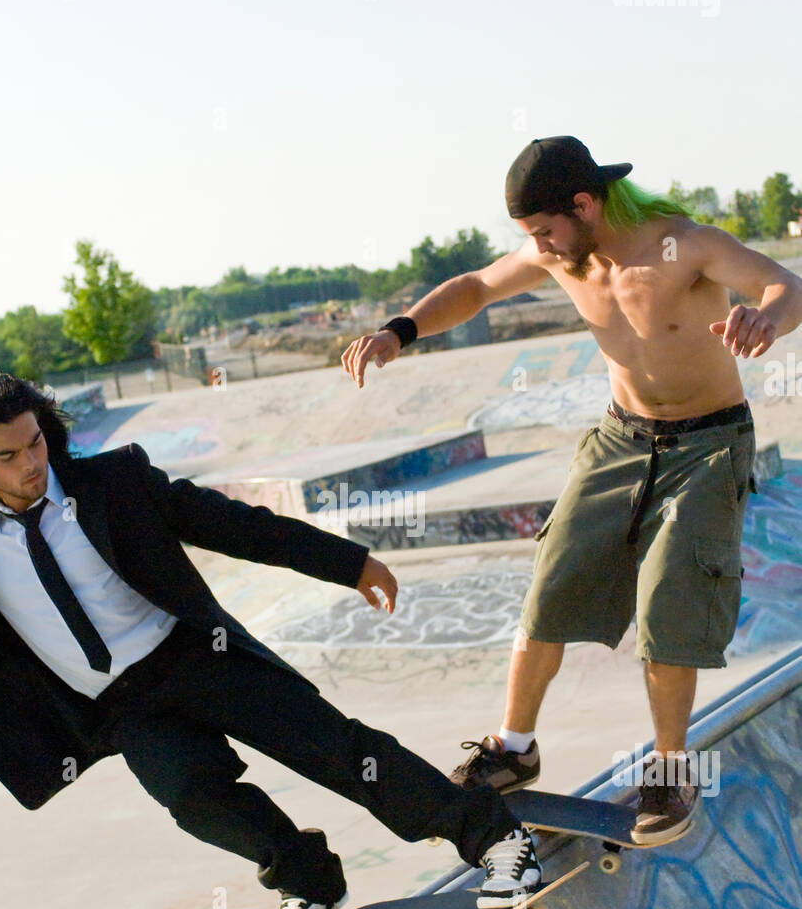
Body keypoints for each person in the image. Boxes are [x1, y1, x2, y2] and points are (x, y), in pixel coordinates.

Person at [0, 372, 539, 909]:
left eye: (35, 441)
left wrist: (346, 563)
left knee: (336, 750)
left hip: (198, 655)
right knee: (193, 799)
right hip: (123, 707)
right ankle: (309, 880)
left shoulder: (114, 484)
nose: (31, 463)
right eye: (8, 457)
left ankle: (494, 837)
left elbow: (233, 525)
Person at [342, 135, 802, 842]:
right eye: (529, 237)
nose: (539, 248)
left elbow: (784, 284)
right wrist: (400, 330)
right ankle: (512, 748)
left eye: (544, 231)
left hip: (709, 443)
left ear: (583, 205)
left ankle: (670, 771)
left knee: (670, 598)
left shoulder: (684, 244)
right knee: (550, 585)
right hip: (621, 438)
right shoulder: (556, 253)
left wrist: (763, 318)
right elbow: (474, 287)